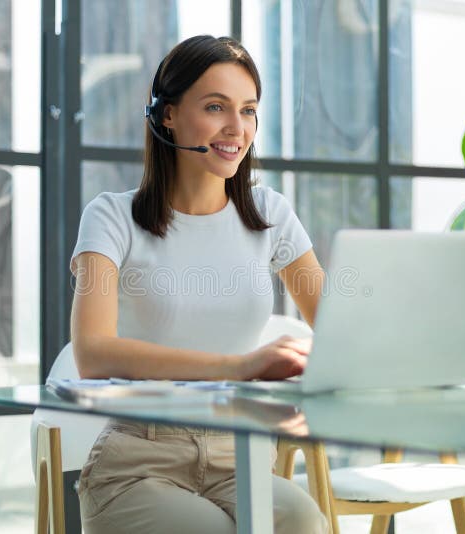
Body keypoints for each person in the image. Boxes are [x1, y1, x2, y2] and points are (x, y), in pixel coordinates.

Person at [70, 35, 327, 534]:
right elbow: (93, 354)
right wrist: (243, 367)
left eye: (249, 110)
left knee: (302, 521)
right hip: (139, 460)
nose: (237, 128)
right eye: (216, 107)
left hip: (241, 454)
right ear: (167, 115)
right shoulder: (112, 217)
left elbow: (341, 329)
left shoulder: (270, 213)